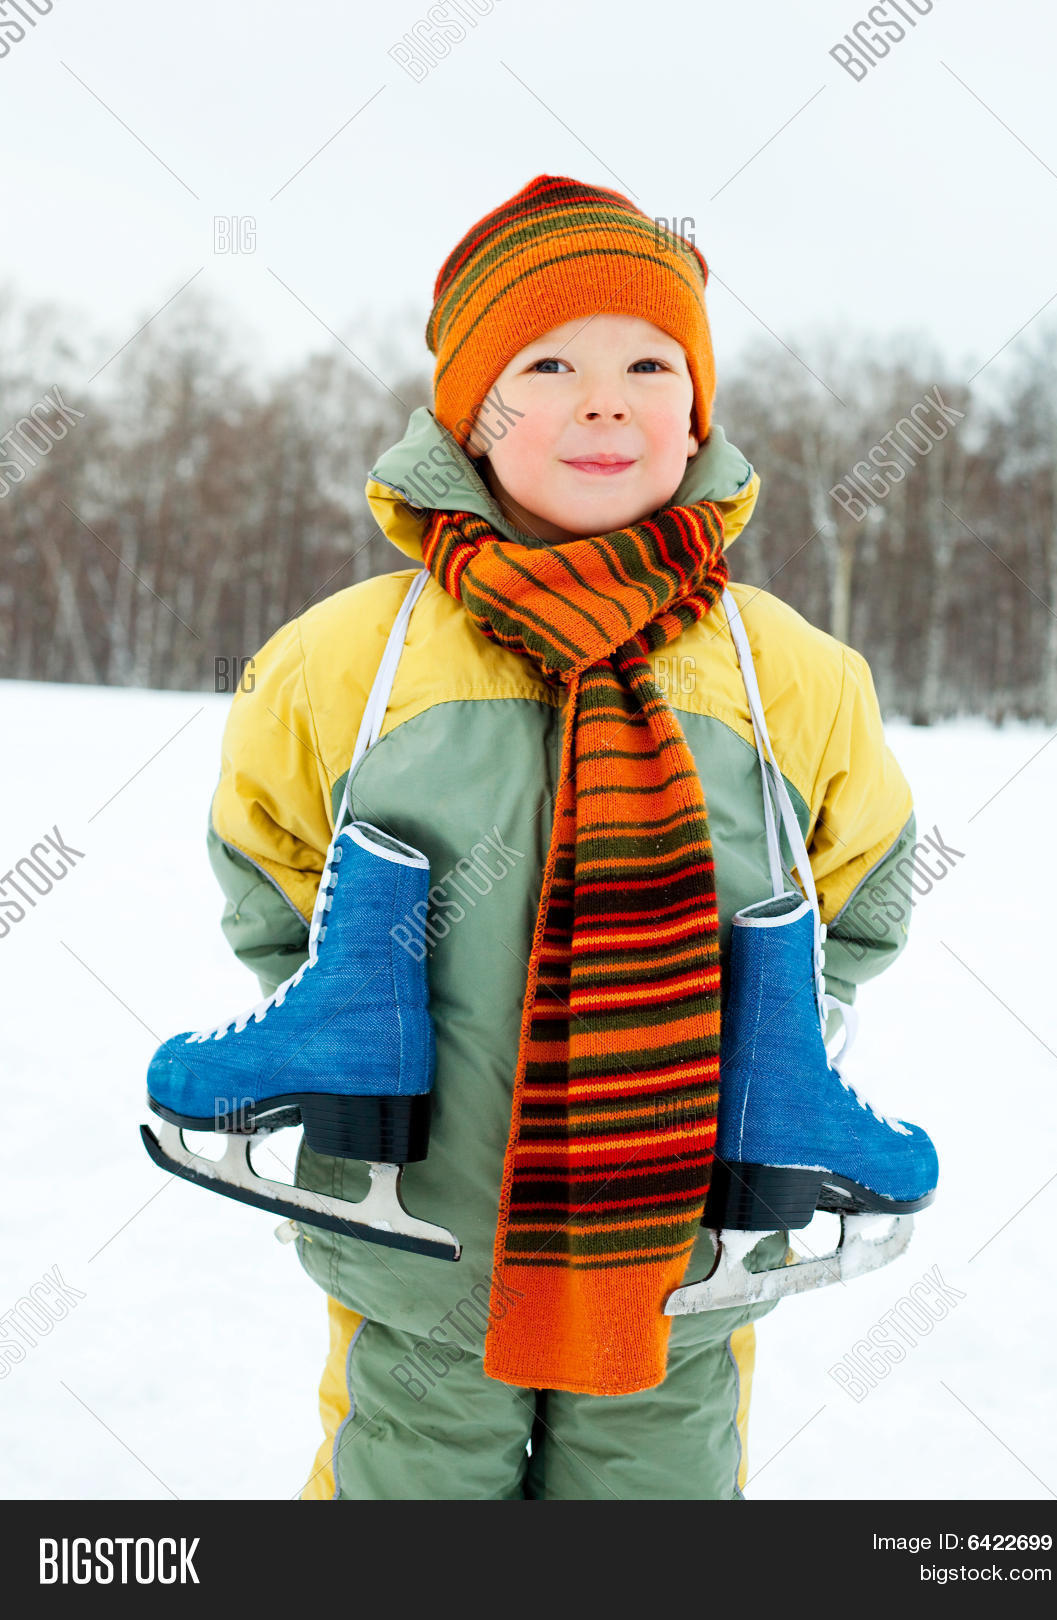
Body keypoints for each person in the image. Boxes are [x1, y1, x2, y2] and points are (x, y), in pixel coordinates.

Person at [202, 174, 918, 1499]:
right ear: (473, 419)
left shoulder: (789, 673)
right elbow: (265, 858)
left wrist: (779, 1044)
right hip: (420, 1239)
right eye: (549, 362)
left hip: (678, 1249)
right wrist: (342, 1033)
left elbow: (865, 880)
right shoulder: (347, 659)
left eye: (650, 362)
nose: (605, 398)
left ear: (694, 411)